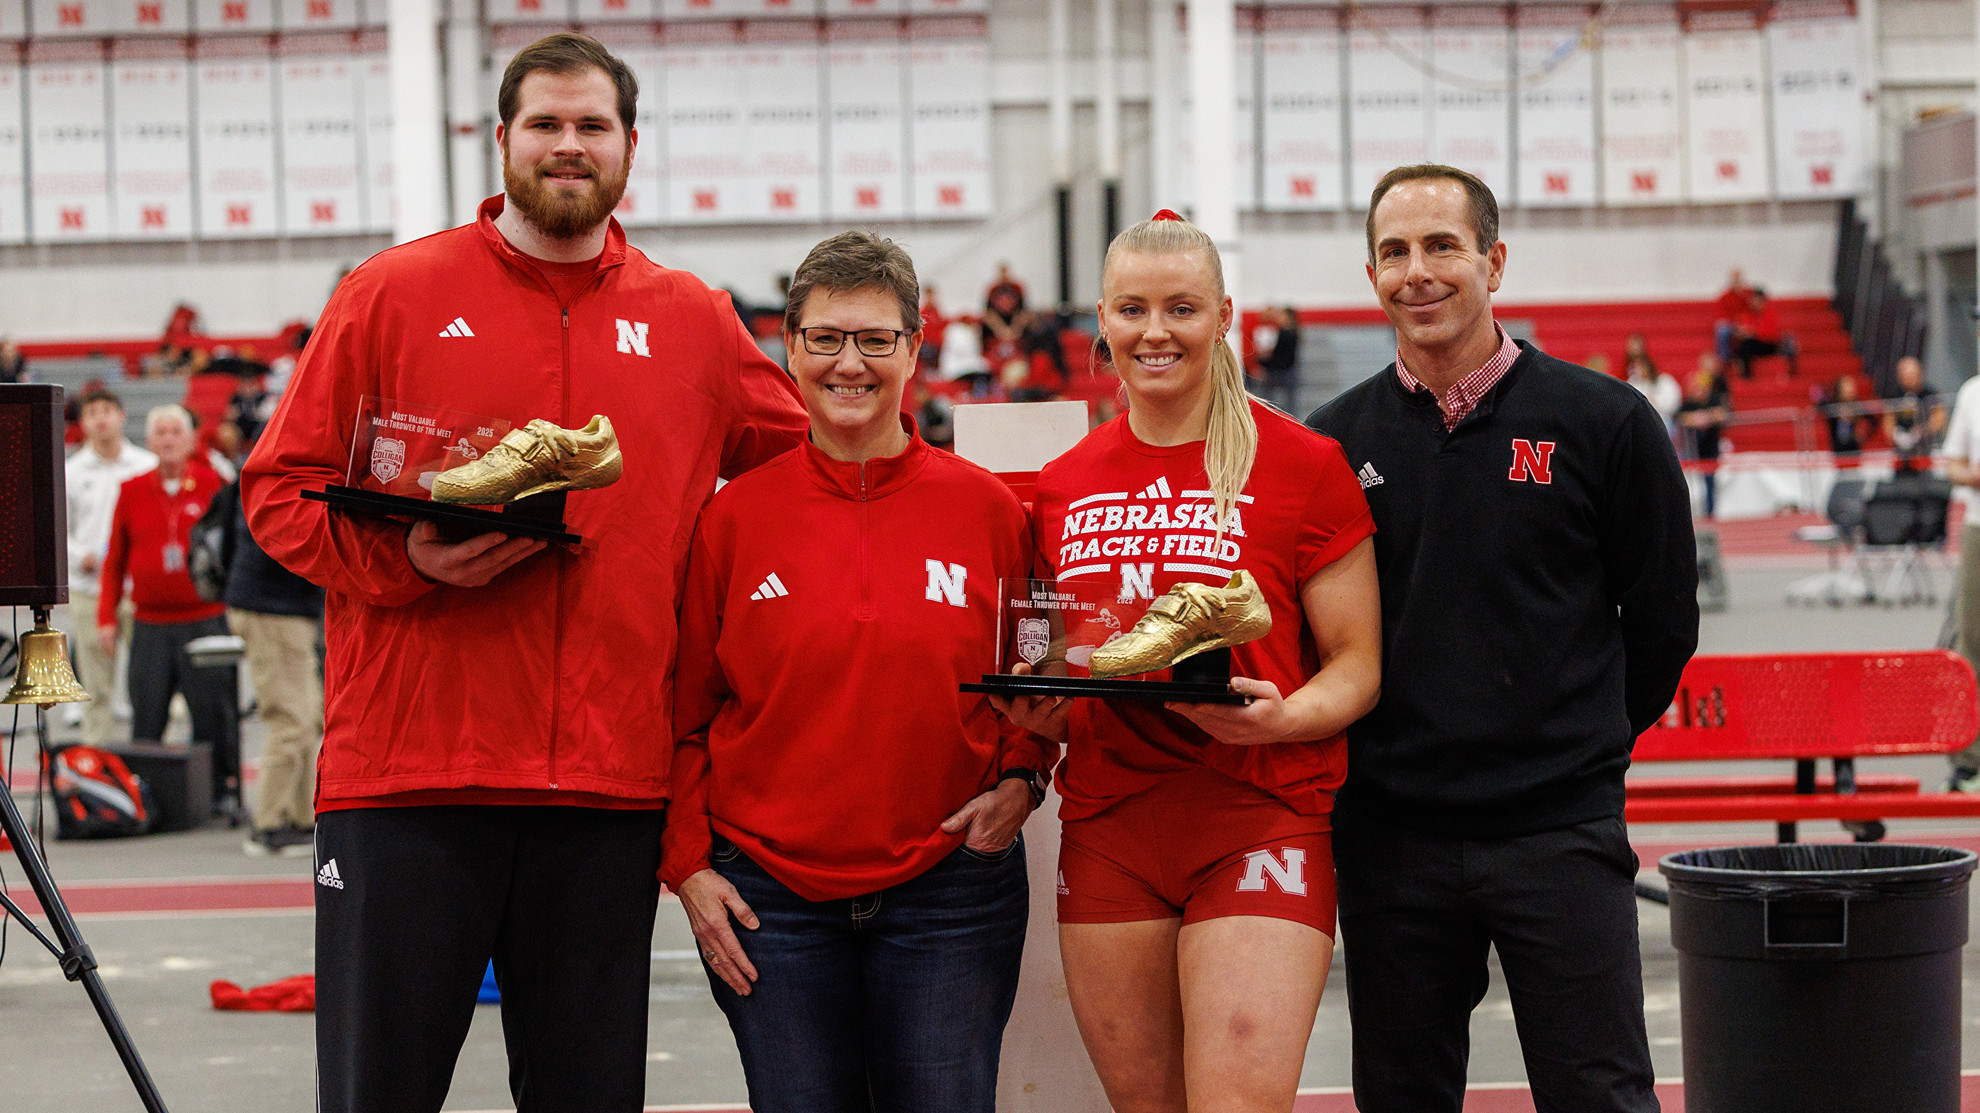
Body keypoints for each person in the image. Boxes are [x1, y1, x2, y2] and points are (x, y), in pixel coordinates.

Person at [240, 32, 805, 1113]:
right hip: (408, 778)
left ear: (631, 146)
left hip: (605, 788)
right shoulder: (391, 293)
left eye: (592, 125)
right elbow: (277, 493)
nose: (568, 145)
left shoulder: (691, 319)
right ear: (501, 140)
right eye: (544, 123)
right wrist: (406, 558)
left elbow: (816, 476)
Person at [1308, 164, 1697, 1113]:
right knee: (1403, 1096)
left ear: (1494, 259)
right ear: (1371, 276)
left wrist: (1575, 744)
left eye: (1442, 244)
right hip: (1392, 836)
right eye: (1394, 252)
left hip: (1557, 831)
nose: (1418, 271)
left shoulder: (1606, 424)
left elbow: (1662, 623)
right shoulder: (1330, 443)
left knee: (1600, 1093)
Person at [998, 211, 1383, 1113]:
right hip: (1110, 829)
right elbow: (1060, 653)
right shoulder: (1065, 480)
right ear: (1102, 318)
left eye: (1182, 308)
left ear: (1223, 316)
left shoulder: (1304, 464)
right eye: (1132, 308)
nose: (1155, 331)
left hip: (1260, 812)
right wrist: (1035, 713)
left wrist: (1284, 717)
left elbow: (1359, 664)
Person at [661, 231, 1046, 1112]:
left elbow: (1034, 674)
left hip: (952, 889)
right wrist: (687, 864)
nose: (851, 363)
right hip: (771, 900)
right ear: (789, 349)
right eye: (826, 337)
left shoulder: (986, 509)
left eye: (876, 338)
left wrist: (1026, 774)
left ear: (916, 348)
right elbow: (684, 710)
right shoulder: (731, 521)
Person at [98, 404, 239, 811]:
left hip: (205, 620)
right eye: (160, 432)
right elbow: (114, 562)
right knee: (147, 713)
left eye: (176, 431)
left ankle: (220, 792)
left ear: (192, 439)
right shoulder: (131, 488)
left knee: (214, 714)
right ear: (149, 440)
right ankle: (149, 796)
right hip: (149, 624)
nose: (168, 439)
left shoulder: (216, 485)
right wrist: (106, 617)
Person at [222, 448, 327, 858]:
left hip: (279, 607)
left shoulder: (273, 462)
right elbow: (289, 540)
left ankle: (302, 815)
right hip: (272, 608)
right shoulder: (290, 469)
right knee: (291, 719)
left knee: (308, 717)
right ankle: (268, 823)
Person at [64, 388, 158, 743]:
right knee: (95, 686)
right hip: (90, 588)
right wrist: (79, 555)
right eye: (92, 413)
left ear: (121, 415)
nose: (101, 418)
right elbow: (59, 527)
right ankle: (96, 760)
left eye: (107, 410)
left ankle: (147, 757)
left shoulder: (145, 465)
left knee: (149, 683)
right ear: (83, 423)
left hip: (137, 590)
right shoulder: (71, 471)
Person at [1938, 365, 1980, 792]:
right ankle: (1969, 758)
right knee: (1971, 639)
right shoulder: (1972, 393)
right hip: (1979, 528)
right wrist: (1972, 476)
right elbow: (1954, 465)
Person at [1678, 356, 1733, 518]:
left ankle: (1710, 514)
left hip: (1710, 447)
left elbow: (1723, 413)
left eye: (1701, 388)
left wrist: (1705, 417)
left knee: (1710, 481)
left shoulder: (1714, 399)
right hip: (1692, 449)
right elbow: (1679, 416)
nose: (1698, 392)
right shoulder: (1690, 403)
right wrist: (1693, 418)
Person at [1882, 356, 1947, 472]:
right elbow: (1888, 421)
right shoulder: (1894, 396)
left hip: (1925, 450)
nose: (1909, 379)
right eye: (1905, 376)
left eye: (1912, 375)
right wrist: (1896, 435)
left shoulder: (1930, 395)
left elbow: (1939, 418)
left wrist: (1922, 431)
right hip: (1901, 453)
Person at [1728, 287, 1797, 379]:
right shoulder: (1747, 314)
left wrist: (1753, 332)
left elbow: (1772, 334)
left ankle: (1746, 374)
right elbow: (1742, 329)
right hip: (1753, 345)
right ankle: (1744, 373)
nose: (1752, 303)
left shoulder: (1770, 314)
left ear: (1762, 301)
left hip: (1768, 345)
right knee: (1742, 345)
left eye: (1755, 300)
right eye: (1752, 300)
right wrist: (1741, 332)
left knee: (1747, 344)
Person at [1626, 343, 1682, 441]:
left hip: (1664, 418)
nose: (1638, 370)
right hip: (1640, 421)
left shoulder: (1665, 381)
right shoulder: (1633, 383)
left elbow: (1674, 403)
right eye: (1636, 367)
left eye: (1641, 367)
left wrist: (1654, 402)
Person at [1821, 374, 1873, 464]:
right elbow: (1820, 406)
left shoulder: (1858, 407)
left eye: (1851, 387)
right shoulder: (1833, 405)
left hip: (1854, 448)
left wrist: (1864, 433)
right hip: (1837, 450)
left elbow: (1872, 420)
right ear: (1840, 390)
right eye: (1846, 387)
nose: (1850, 391)